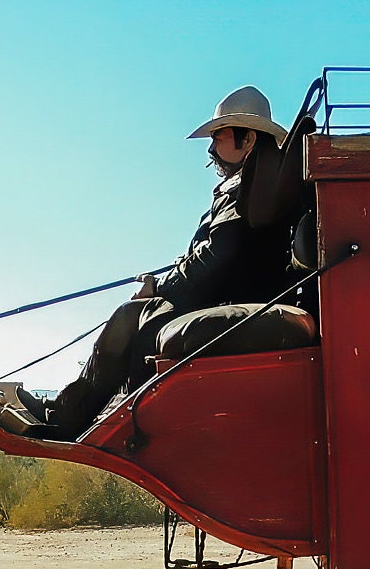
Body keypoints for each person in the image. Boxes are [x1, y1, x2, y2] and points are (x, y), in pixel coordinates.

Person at [20, 85, 314, 441]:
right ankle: (65, 415)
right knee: (131, 314)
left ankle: (83, 419)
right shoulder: (255, 185)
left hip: (233, 298)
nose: (211, 149)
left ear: (248, 139)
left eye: (219, 137)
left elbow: (218, 257)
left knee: (135, 314)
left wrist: (160, 287)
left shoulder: (249, 189)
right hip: (225, 293)